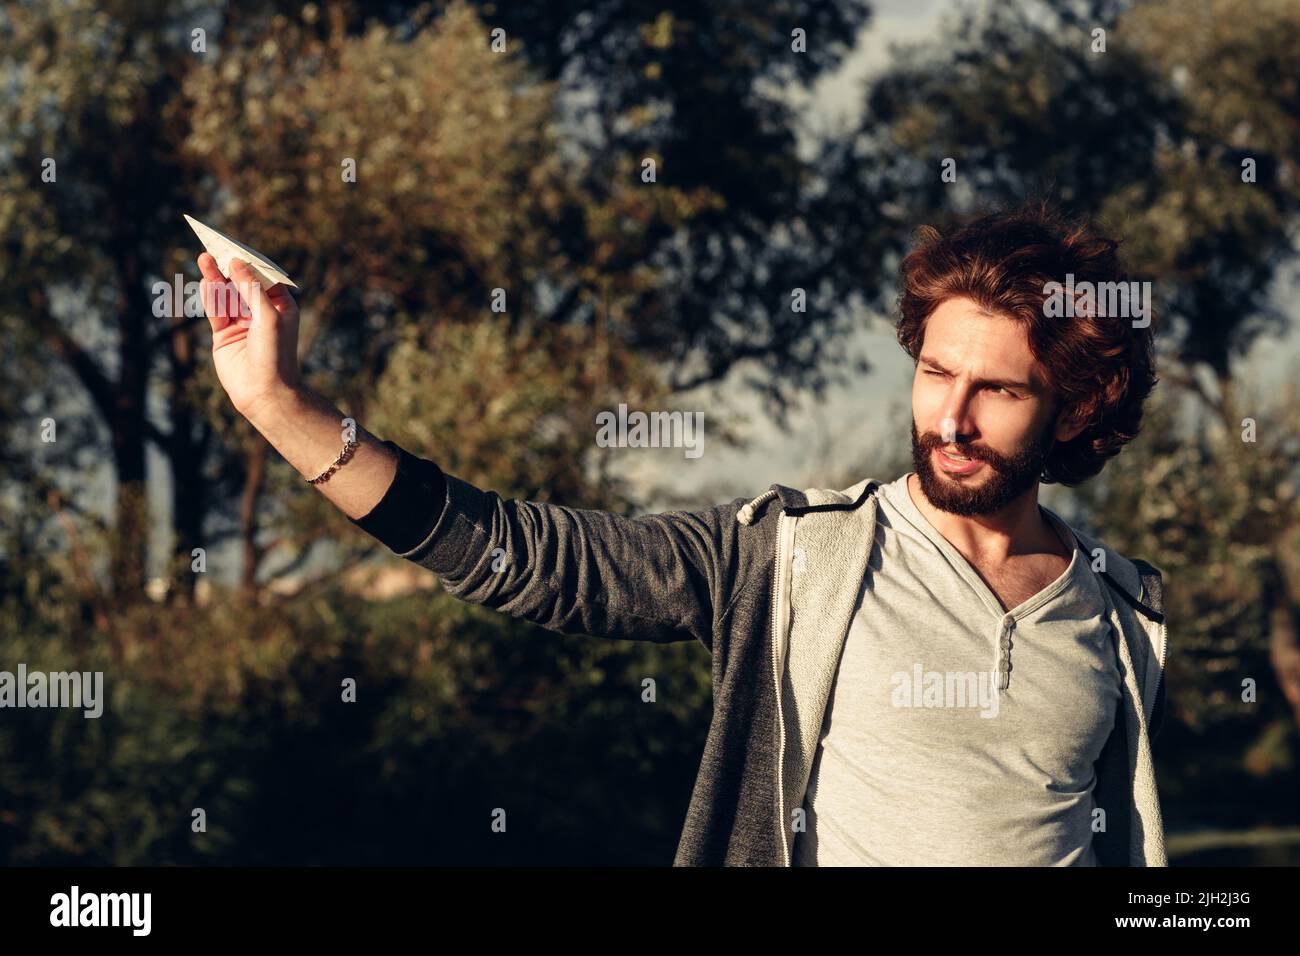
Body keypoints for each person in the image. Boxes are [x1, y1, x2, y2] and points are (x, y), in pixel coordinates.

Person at [197, 198, 1167, 866]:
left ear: (1074, 407)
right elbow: (529, 561)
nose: (947, 419)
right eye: (933, 373)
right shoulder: (791, 554)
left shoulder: (1116, 613)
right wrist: (280, 403)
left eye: (995, 389)